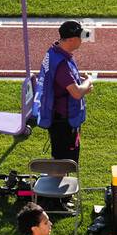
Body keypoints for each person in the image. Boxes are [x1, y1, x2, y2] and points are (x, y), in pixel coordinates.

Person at [32, 20, 94, 164]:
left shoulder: (54, 51)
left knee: (60, 159)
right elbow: (77, 93)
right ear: (72, 40)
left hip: (58, 116)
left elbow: (60, 80)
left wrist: (76, 79)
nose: (82, 41)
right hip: (63, 121)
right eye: (81, 38)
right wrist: (88, 82)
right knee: (62, 164)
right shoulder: (62, 64)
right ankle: (57, 184)